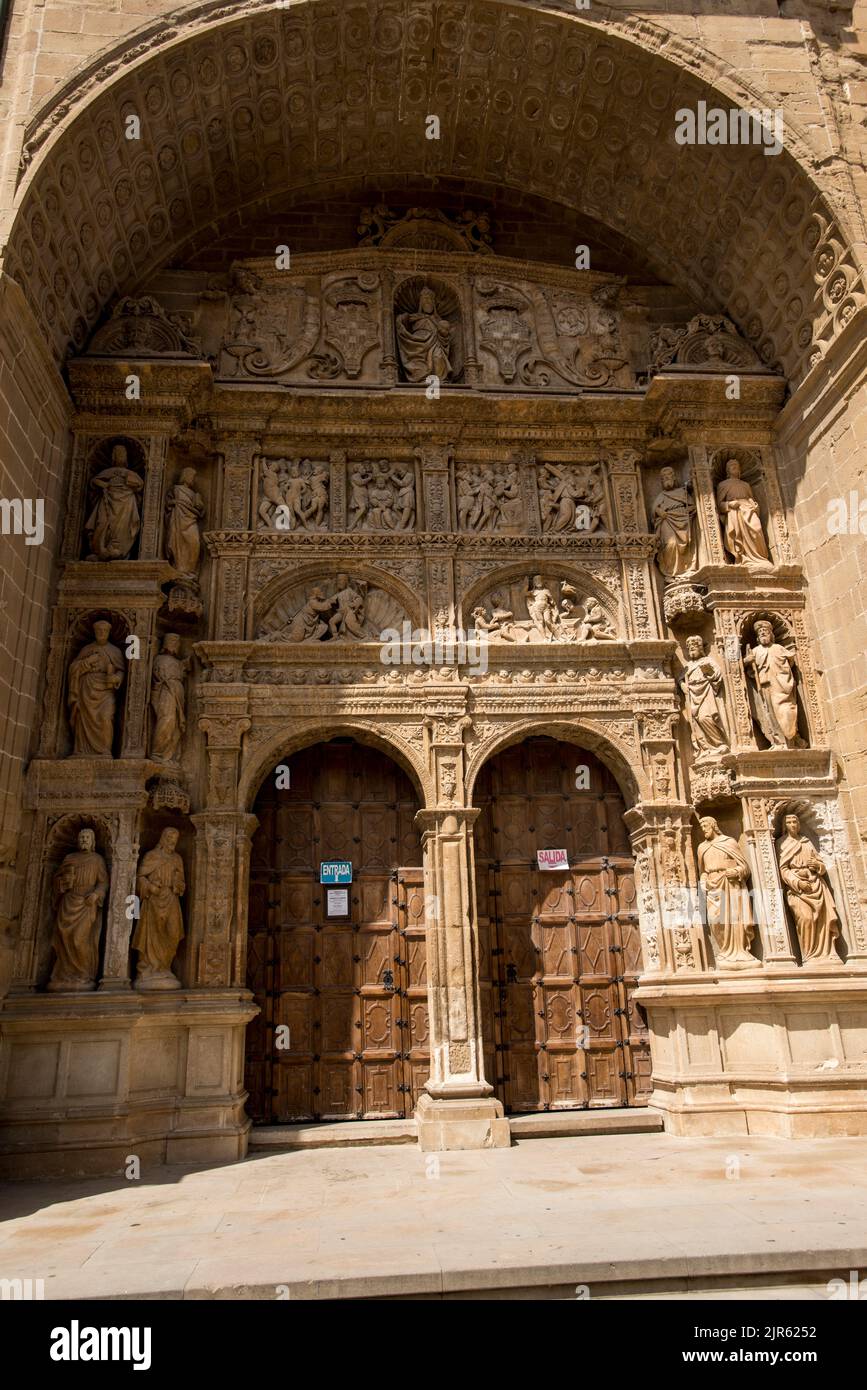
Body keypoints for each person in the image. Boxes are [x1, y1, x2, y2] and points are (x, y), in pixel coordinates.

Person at [47, 828, 108, 992]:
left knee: (80, 940)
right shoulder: (69, 858)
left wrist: (96, 894)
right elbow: (56, 881)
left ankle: (83, 975)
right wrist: (63, 882)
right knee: (64, 939)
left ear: (93, 841)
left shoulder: (97, 860)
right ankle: (65, 975)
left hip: (87, 904)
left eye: (87, 837)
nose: (84, 840)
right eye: (81, 837)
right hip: (68, 902)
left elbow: (103, 883)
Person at [776, 813, 841, 963]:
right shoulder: (782, 843)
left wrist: (817, 866)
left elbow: (821, 864)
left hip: (816, 884)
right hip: (798, 889)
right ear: (784, 826)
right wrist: (797, 882)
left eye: (795, 821)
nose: (793, 824)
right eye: (789, 822)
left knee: (823, 919)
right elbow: (782, 869)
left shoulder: (806, 842)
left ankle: (826, 953)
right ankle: (809, 955)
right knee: (805, 919)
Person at [697, 816, 756, 969]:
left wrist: (735, 872)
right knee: (715, 919)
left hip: (731, 885)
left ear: (713, 825)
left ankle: (740, 951)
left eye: (705, 825)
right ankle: (725, 950)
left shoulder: (729, 842)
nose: (703, 828)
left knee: (735, 917)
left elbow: (745, 868)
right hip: (713, 886)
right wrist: (703, 882)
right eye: (701, 826)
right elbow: (702, 871)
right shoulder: (702, 848)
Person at [133, 828, 185, 989]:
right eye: (169, 837)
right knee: (150, 933)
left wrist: (178, 885)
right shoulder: (151, 856)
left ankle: (164, 967)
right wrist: (149, 887)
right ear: (163, 837)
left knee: (173, 933)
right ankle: (148, 968)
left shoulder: (177, 859)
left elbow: (182, 882)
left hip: (171, 900)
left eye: (175, 838)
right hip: (153, 901)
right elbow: (138, 878)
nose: (172, 841)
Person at [67, 620, 125, 757]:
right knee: (83, 718)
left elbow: (122, 670)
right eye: (98, 631)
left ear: (109, 633)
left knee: (105, 717)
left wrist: (116, 678)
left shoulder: (115, 651)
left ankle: (104, 750)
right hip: (86, 688)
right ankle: (81, 750)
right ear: (94, 632)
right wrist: (88, 662)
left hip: (105, 689)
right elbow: (73, 668)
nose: (101, 633)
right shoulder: (86, 650)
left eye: (104, 631)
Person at [744, 619, 800, 747]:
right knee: (770, 713)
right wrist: (747, 660)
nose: (763, 634)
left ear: (771, 635)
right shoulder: (756, 651)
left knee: (786, 710)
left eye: (766, 632)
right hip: (765, 686)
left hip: (781, 686)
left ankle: (791, 738)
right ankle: (778, 741)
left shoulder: (778, 648)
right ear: (758, 637)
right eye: (760, 633)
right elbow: (749, 670)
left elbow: (790, 662)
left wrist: (781, 675)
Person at [85, 445, 143, 560]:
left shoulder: (131, 473)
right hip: (108, 499)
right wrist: (104, 484)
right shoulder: (107, 472)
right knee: (102, 522)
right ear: (113, 457)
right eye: (117, 454)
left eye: (122, 454)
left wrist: (129, 481)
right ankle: (99, 549)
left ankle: (119, 550)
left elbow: (139, 485)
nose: (120, 457)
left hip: (126, 502)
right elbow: (94, 481)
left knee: (122, 526)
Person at [716, 458, 773, 571]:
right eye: (732, 465)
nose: (735, 467)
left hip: (749, 510)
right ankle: (742, 558)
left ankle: (759, 558)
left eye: (736, 465)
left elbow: (750, 498)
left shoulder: (745, 485)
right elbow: (719, 505)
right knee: (738, 535)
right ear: (727, 470)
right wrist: (730, 504)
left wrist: (754, 505)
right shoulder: (723, 485)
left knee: (756, 530)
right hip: (735, 512)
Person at [680, 635, 729, 755]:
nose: (691, 650)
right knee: (695, 723)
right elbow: (680, 679)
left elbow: (717, 676)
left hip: (706, 693)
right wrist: (682, 685)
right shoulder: (688, 666)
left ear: (700, 648)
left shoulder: (708, 661)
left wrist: (709, 673)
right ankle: (705, 748)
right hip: (693, 695)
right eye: (689, 648)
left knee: (705, 718)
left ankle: (719, 744)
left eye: (694, 647)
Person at [396, 286, 452, 382]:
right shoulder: (415, 317)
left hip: (434, 342)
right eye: (425, 302)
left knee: (438, 357)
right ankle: (422, 379)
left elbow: (445, 334)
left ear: (433, 305)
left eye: (430, 302)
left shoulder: (437, 319)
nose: (428, 304)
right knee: (417, 361)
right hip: (417, 341)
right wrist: (402, 318)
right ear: (421, 304)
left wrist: (443, 333)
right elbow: (402, 320)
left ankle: (440, 380)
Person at [651, 466, 697, 579]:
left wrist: (687, 510)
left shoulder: (682, 492)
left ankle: (686, 569)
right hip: (667, 520)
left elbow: (693, 506)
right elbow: (654, 510)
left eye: (668, 476)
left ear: (674, 477)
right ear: (662, 481)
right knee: (670, 544)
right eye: (664, 477)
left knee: (687, 543)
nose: (666, 478)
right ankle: (671, 572)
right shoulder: (661, 496)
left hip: (683, 520)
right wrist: (659, 511)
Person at [164, 467, 205, 574]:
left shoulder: (194, 494)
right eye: (192, 476)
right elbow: (168, 503)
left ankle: (190, 570)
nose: (193, 479)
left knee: (195, 542)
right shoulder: (176, 489)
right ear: (185, 476)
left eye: (194, 477)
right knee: (177, 542)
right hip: (179, 520)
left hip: (190, 520)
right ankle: (179, 569)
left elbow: (200, 510)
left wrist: (199, 504)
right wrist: (175, 502)